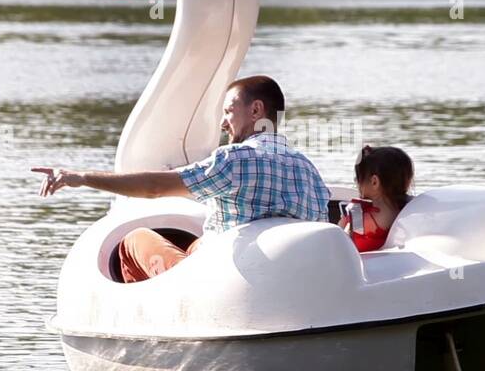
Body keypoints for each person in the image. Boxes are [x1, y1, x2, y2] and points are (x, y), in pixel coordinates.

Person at [33, 75, 330, 282]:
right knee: (195, 245)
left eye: (228, 111)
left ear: (255, 110)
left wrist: (81, 177)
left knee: (134, 240)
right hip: (280, 280)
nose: (223, 121)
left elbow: (153, 188)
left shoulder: (233, 161)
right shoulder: (309, 171)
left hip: (223, 279)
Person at [338, 146, 414, 252]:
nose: (357, 184)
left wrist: (344, 221)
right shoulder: (406, 208)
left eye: (358, 179)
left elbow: (341, 241)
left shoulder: (358, 215)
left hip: (361, 264)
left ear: (374, 182)